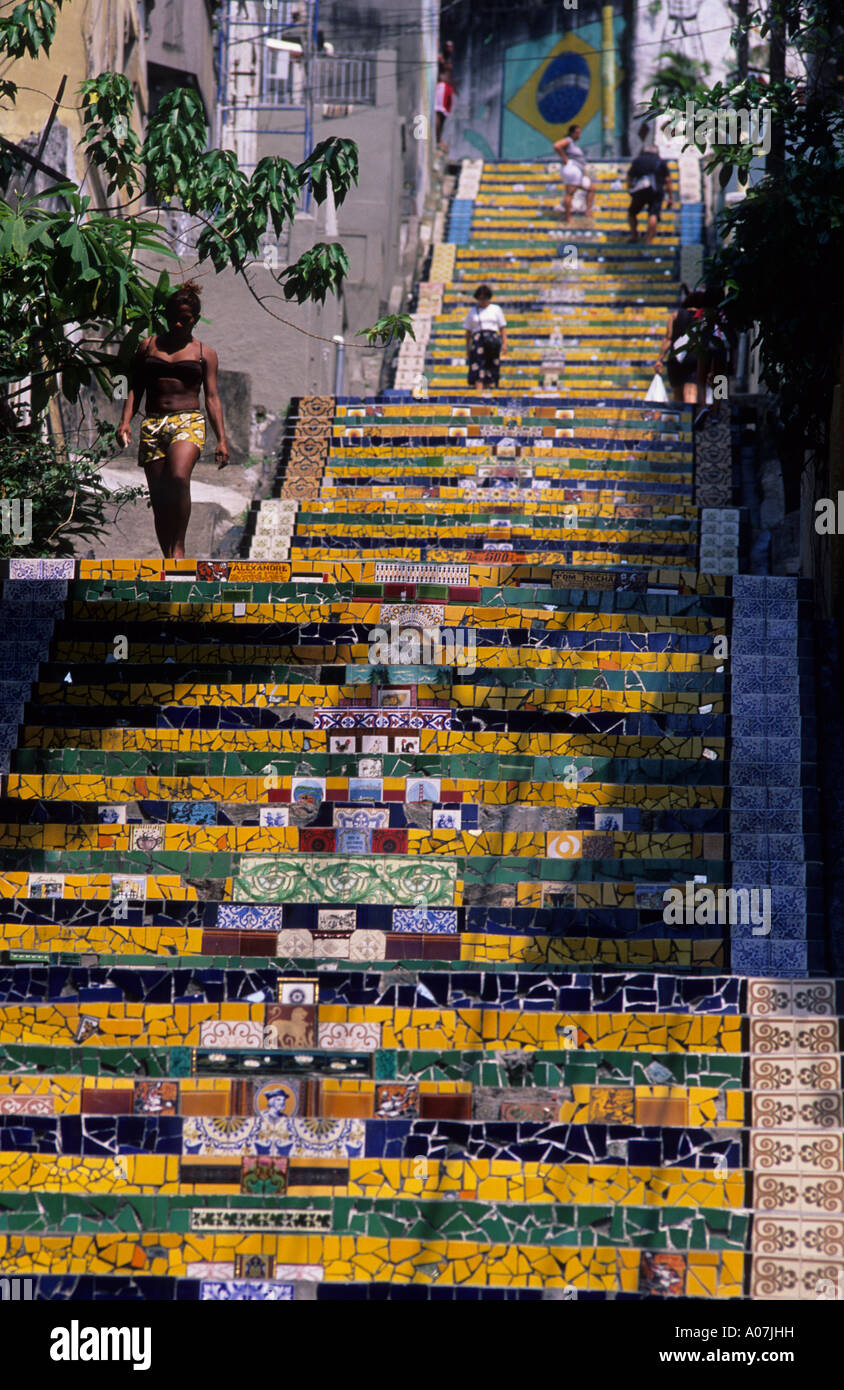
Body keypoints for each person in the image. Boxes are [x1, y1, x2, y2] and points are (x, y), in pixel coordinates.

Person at [116, 281, 229, 559]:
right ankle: (168, 556)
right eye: (174, 319)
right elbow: (134, 386)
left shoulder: (205, 354)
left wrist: (222, 439)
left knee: (178, 477)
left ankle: (178, 547)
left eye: (186, 320)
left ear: (196, 320)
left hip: (187, 421)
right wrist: (125, 421)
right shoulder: (147, 346)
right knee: (159, 496)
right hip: (153, 423)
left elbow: (212, 398)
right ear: (165, 316)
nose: (179, 325)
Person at [654, 287, 732, 405]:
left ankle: (695, 413)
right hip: (709, 355)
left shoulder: (677, 315)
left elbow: (668, 338)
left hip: (678, 358)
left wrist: (659, 359)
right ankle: (717, 410)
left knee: (682, 395)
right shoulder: (717, 315)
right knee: (715, 382)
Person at [627, 123, 672, 242]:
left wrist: (629, 189)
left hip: (640, 190)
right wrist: (671, 198)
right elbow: (668, 180)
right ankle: (649, 240)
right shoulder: (660, 161)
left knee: (632, 212)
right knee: (653, 214)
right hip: (656, 191)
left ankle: (634, 236)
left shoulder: (638, 161)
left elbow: (629, 176)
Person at [464, 284, 507, 393]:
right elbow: (468, 331)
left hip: (492, 342)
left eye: (485, 298)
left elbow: (502, 328)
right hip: (478, 341)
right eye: (480, 298)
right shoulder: (472, 311)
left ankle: (488, 390)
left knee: (491, 365)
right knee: (478, 366)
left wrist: (504, 343)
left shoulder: (496, 309)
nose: (483, 301)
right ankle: (479, 392)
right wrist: (467, 347)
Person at [552, 123, 595, 221]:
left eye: (580, 132)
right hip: (572, 169)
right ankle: (568, 217)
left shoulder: (573, 144)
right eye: (576, 133)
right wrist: (565, 159)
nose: (579, 135)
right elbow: (557, 146)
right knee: (570, 193)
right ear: (571, 133)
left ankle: (588, 212)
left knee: (591, 188)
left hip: (578, 171)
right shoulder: (568, 140)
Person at [435, 41, 456, 146]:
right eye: (448, 47)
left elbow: (450, 75)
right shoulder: (441, 58)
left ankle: (439, 139)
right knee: (439, 113)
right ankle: (437, 139)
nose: (450, 49)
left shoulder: (449, 59)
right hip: (442, 86)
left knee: (445, 115)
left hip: (448, 88)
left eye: (451, 47)